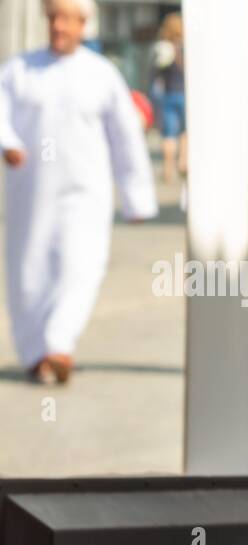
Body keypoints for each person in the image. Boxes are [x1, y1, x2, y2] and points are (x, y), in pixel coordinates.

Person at [0, 0, 157, 384]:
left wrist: (136, 195)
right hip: (30, 191)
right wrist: (7, 142)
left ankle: (59, 344)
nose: (60, 27)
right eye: (54, 19)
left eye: (68, 20)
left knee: (80, 265)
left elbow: (125, 137)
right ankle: (37, 353)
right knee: (29, 270)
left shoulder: (101, 74)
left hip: (86, 191)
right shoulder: (19, 70)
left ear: (83, 24)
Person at [150, 12, 185, 185]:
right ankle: (183, 163)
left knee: (168, 134)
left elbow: (155, 72)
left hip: (168, 94)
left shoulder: (163, 47)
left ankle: (168, 169)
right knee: (185, 132)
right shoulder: (185, 47)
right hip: (184, 94)